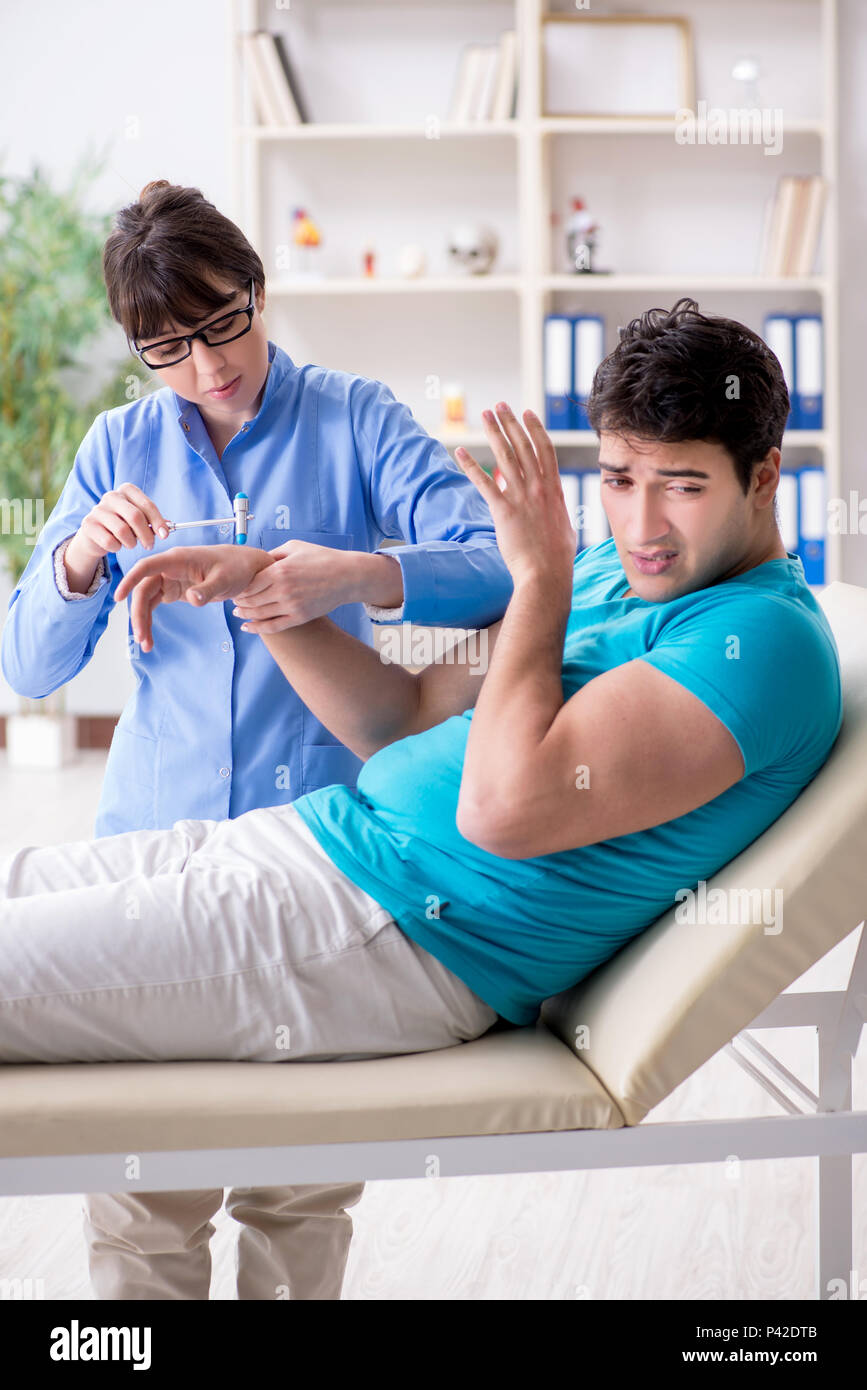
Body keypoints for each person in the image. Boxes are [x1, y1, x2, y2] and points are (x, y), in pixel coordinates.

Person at [0, 298, 841, 1302]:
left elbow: (502, 808)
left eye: (683, 486)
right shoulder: (622, 573)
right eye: (619, 480)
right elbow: (401, 717)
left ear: (763, 479)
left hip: (391, 933)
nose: (643, 524)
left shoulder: (764, 643)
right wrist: (262, 591)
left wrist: (538, 584)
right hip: (312, 847)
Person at [0, 180, 513, 1300]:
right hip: (153, 861)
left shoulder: (356, 417)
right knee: (142, 1215)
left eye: (225, 320)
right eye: (169, 346)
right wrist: (78, 559)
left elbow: (492, 565)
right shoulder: (118, 444)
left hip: (312, 889)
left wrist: (359, 572)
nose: (209, 365)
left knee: (298, 1206)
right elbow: (27, 666)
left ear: (258, 287)